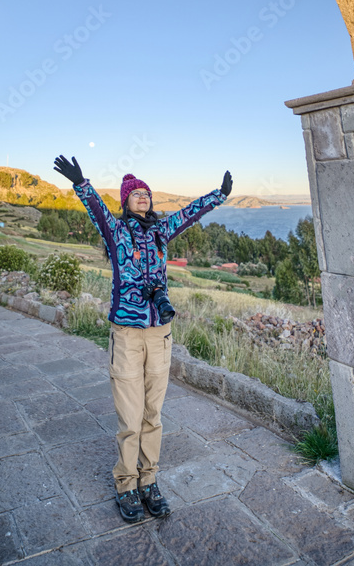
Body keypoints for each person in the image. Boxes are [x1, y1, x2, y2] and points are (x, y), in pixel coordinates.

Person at [53, 153, 233, 522]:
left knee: (153, 415)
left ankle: (149, 480)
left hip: (160, 335)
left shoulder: (161, 231)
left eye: (147, 193)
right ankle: (126, 483)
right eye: (136, 193)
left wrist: (220, 195)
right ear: (125, 201)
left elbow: (188, 213)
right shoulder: (117, 233)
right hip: (128, 335)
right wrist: (81, 184)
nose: (143, 197)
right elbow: (97, 210)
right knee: (131, 418)